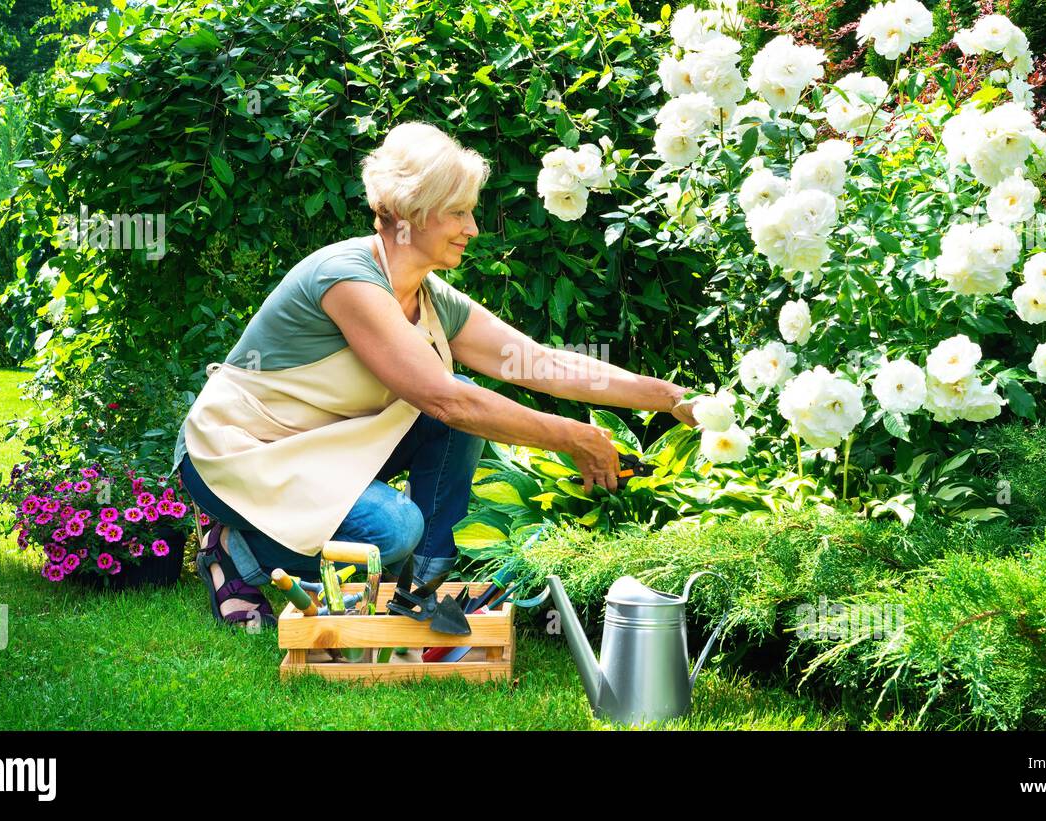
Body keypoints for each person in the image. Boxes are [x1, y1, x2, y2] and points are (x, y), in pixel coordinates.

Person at [170, 121, 698, 628]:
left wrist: (671, 397)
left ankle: (418, 588)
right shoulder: (346, 279)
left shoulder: (428, 295)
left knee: (459, 409)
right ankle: (237, 551)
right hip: (239, 454)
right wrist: (572, 437)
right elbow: (447, 401)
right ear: (411, 213)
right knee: (391, 527)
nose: (471, 228)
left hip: (320, 451)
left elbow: (540, 362)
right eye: (458, 213)